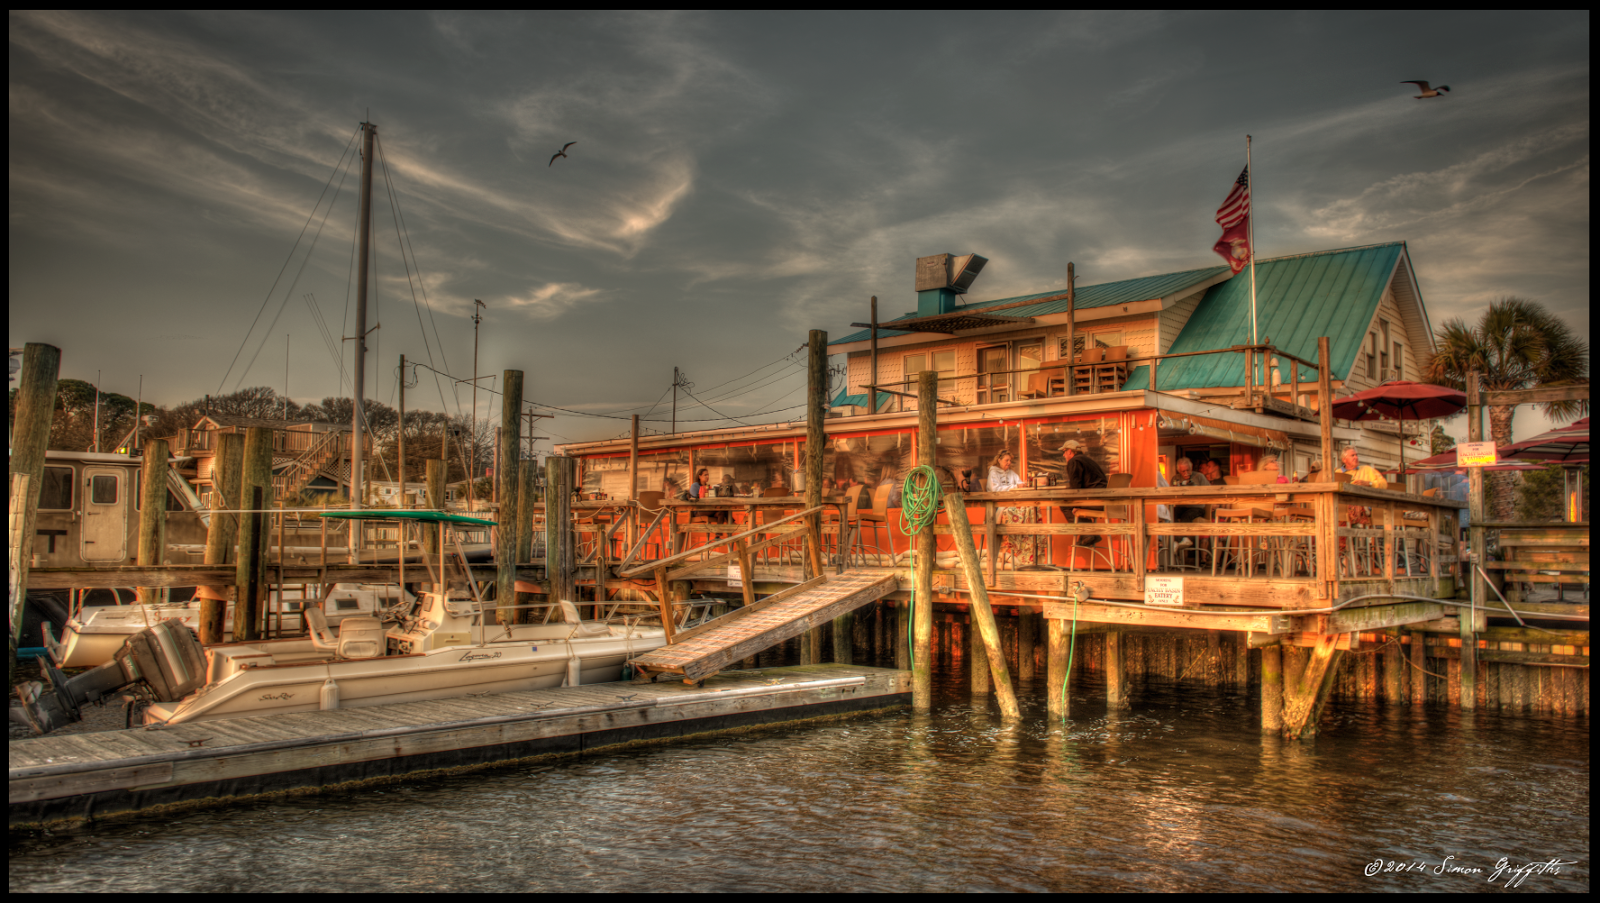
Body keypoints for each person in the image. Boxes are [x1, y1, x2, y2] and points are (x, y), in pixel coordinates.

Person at [987, 450, 1036, 566]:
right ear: (999, 460)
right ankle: (1016, 544)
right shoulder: (993, 473)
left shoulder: (1011, 473)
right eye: (1006, 460)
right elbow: (994, 489)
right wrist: (1014, 486)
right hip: (997, 506)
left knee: (1030, 510)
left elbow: (1019, 483)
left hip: (1012, 504)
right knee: (1019, 512)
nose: (1009, 462)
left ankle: (1024, 548)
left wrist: (1022, 485)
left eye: (1010, 460)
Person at [1060, 439, 1108, 547]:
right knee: (1071, 504)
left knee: (1064, 504)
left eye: (1064, 452)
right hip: (1104, 501)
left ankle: (1087, 533)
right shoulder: (1088, 460)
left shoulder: (1074, 462)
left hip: (1094, 501)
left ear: (1070, 452)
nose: (1063, 455)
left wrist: (1076, 505)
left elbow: (1076, 486)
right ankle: (1090, 533)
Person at [1170, 456, 1210, 543]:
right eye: (1183, 471)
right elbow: (1170, 494)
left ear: (1191, 467)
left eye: (1188, 470)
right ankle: (1176, 541)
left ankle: (1180, 541)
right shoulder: (1175, 479)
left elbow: (1210, 491)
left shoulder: (1199, 477)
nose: (1186, 473)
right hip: (1181, 506)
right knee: (1172, 513)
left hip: (1197, 507)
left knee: (1187, 515)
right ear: (1179, 471)